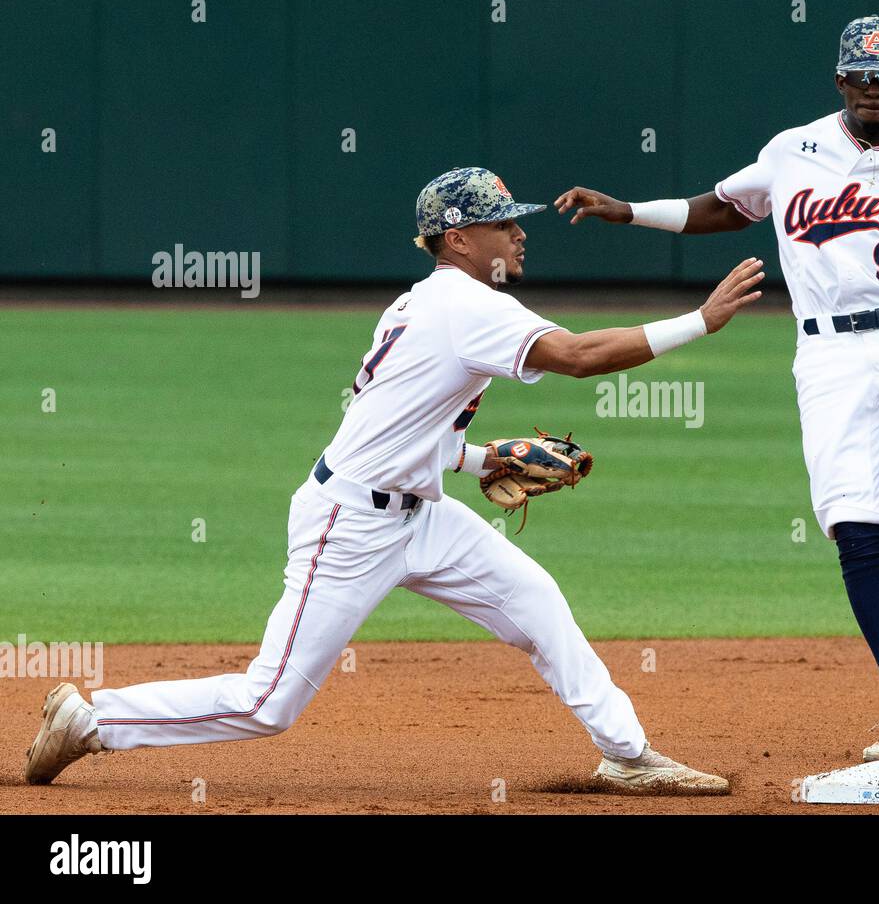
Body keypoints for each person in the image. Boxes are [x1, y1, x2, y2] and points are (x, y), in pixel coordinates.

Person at [23, 167, 765, 794]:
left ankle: (626, 756)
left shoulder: (426, 302)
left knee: (534, 598)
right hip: (351, 524)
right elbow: (577, 355)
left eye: (515, 221)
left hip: (422, 514)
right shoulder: (466, 304)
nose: (518, 232)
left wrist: (481, 460)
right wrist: (699, 320)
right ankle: (93, 720)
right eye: (502, 223)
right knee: (270, 702)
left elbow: (408, 428)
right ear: (458, 239)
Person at [553, 16, 879, 759]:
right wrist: (629, 211)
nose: (876, 90)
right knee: (853, 525)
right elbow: (724, 206)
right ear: (840, 81)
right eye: (863, 76)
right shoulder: (793, 151)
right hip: (825, 353)